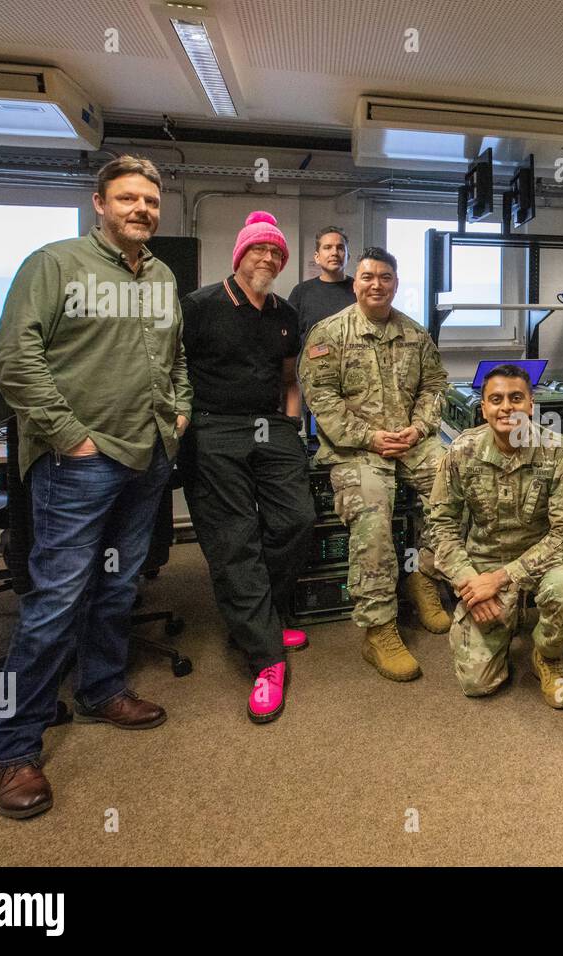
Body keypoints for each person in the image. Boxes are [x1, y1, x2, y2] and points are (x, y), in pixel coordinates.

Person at [0, 155, 191, 819]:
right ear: (100, 203)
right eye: (128, 198)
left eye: (151, 202)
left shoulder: (160, 275)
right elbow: (16, 359)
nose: (142, 209)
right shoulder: (56, 265)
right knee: (54, 602)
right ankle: (16, 746)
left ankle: (102, 690)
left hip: (147, 456)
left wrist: (179, 409)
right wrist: (68, 434)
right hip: (77, 462)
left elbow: (175, 359)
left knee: (119, 585)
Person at [179, 211, 316, 724]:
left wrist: (291, 424)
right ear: (239, 256)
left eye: (277, 252)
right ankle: (266, 658)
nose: (268, 258)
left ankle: (259, 617)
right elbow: (173, 368)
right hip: (214, 429)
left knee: (295, 520)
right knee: (234, 537)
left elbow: (288, 377)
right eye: (259, 250)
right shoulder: (200, 305)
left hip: (271, 429)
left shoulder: (284, 312)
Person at [299, 247, 452, 682]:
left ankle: (424, 576)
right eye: (368, 277)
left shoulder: (415, 335)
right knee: (372, 514)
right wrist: (371, 437)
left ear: (396, 284)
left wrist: (420, 428)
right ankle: (379, 627)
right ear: (355, 283)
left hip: (410, 439)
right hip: (356, 447)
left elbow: (435, 386)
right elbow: (322, 401)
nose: (376, 284)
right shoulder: (328, 334)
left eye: (385, 277)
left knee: (455, 484)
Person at [426, 364, 563, 708]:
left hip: (545, 562)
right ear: (483, 407)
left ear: (531, 404)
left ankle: (547, 656)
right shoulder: (461, 451)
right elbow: (441, 524)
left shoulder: (559, 452)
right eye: (496, 399)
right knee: (477, 683)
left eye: (516, 398)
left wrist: (503, 578)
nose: (506, 407)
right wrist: (469, 583)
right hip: (484, 565)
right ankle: (507, 617)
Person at [288, 225, 355, 341]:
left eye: (340, 248)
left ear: (347, 256)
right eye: (327, 247)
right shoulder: (301, 292)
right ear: (317, 257)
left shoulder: (360, 290)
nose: (334, 252)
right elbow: (290, 338)